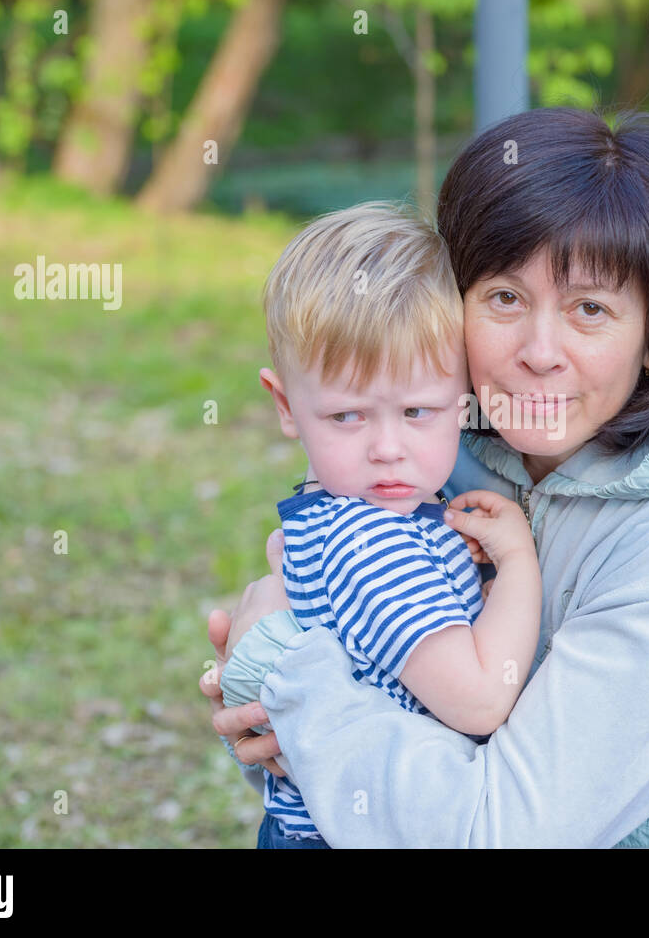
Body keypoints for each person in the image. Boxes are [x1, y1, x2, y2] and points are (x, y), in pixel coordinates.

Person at [202, 107, 649, 848]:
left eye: (590, 309)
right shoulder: (474, 441)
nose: (539, 351)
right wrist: (280, 690)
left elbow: (496, 832)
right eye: (506, 298)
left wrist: (292, 682)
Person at [217, 202, 542, 848]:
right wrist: (519, 565)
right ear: (285, 405)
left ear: (464, 397)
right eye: (347, 417)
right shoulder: (374, 542)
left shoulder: (346, 510)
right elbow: (480, 699)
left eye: (419, 410)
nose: (387, 447)